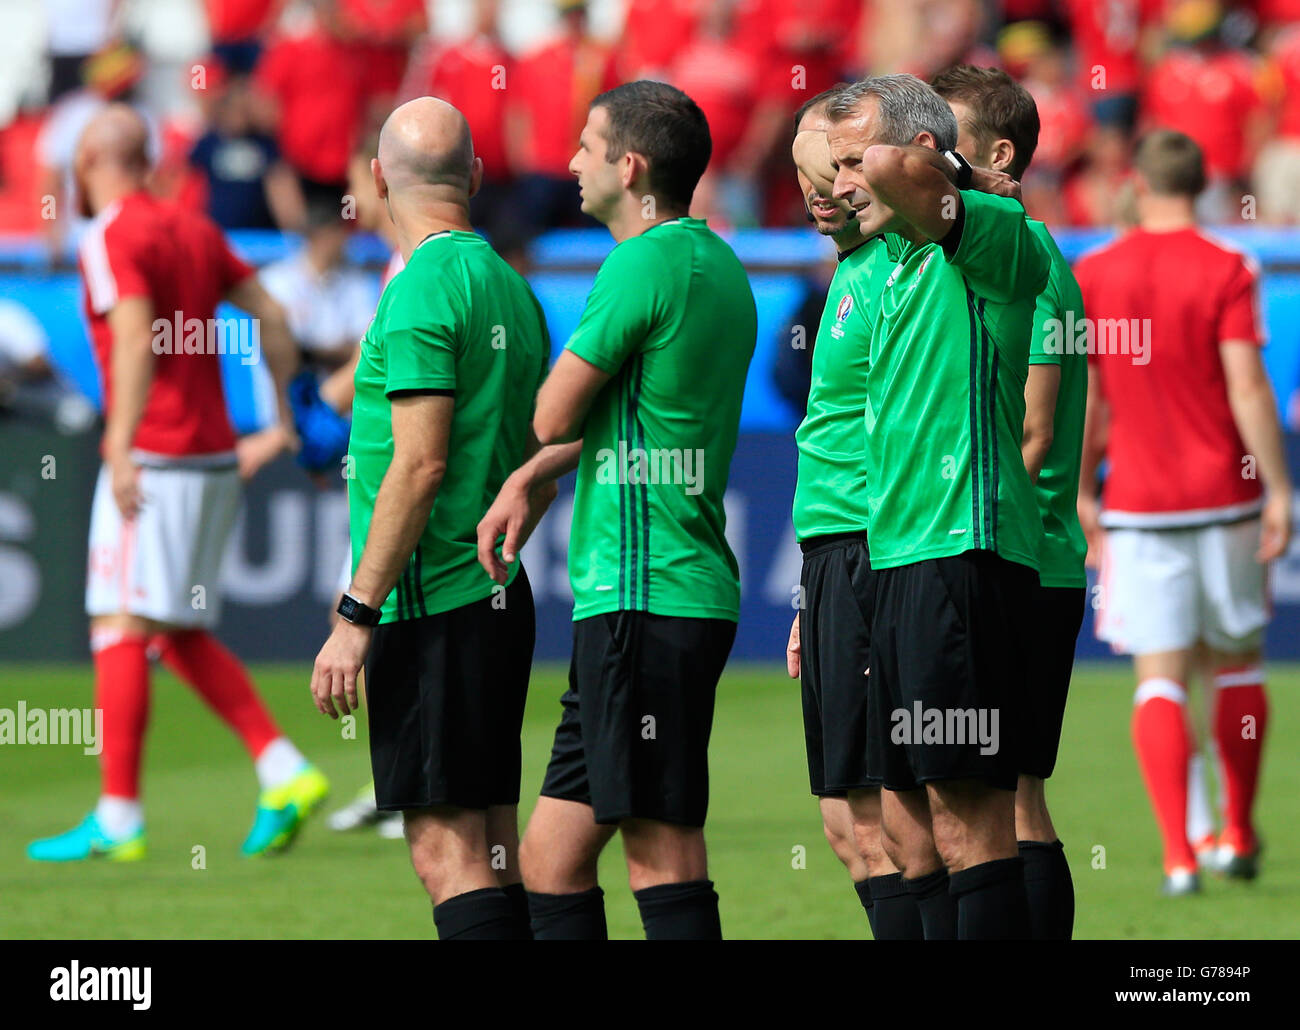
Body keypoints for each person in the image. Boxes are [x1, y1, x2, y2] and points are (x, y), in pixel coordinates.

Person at [476, 80, 757, 940]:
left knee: (660, 856)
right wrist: (536, 475)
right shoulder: (718, 265)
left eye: (585, 146)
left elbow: (553, 412)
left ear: (627, 166)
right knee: (551, 862)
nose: (568, 163)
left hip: (648, 592)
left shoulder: (639, 262)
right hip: (665, 591)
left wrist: (537, 450)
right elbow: (642, 416)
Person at [27, 103, 328, 863]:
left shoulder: (112, 234)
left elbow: (132, 336)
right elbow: (272, 314)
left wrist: (119, 447)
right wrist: (286, 416)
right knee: (171, 623)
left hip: (156, 458)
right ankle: (281, 766)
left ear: (92, 163)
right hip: (215, 456)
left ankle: (120, 815)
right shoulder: (195, 228)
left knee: (119, 621)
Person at [310, 97, 550, 941]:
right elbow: (543, 451)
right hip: (495, 594)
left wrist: (355, 613)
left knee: (446, 855)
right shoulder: (515, 290)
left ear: (376, 179)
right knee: (492, 847)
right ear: (477, 178)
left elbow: (420, 463)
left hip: (433, 602)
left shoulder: (417, 291)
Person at [825, 74, 1048, 939]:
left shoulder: (989, 234)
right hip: (900, 557)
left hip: (963, 554)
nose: (840, 185)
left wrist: (934, 161)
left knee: (970, 820)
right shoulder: (901, 266)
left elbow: (892, 158)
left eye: (852, 166)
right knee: (911, 824)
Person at [1075, 130, 1290, 894]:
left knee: (1158, 677)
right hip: (1223, 498)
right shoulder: (1229, 265)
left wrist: (1082, 490)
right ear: (1201, 184)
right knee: (1237, 662)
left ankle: (1177, 854)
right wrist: (1280, 488)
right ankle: (1234, 828)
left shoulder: (1096, 270)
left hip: (1138, 501)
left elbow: (1091, 395)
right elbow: (1247, 386)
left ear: (1137, 181)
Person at [933, 64, 1086, 940]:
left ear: (997, 153)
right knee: (998, 791)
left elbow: (1031, 432)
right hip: (1028, 555)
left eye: (944, 135)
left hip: (1025, 561)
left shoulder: (1033, 267)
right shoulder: (1006, 256)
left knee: (1014, 797)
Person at [784, 87, 922, 939]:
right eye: (808, 170)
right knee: (852, 826)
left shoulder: (900, 270)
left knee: (889, 824)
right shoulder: (846, 274)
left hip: (875, 551)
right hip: (833, 557)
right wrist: (813, 597)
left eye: (835, 167)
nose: (819, 189)